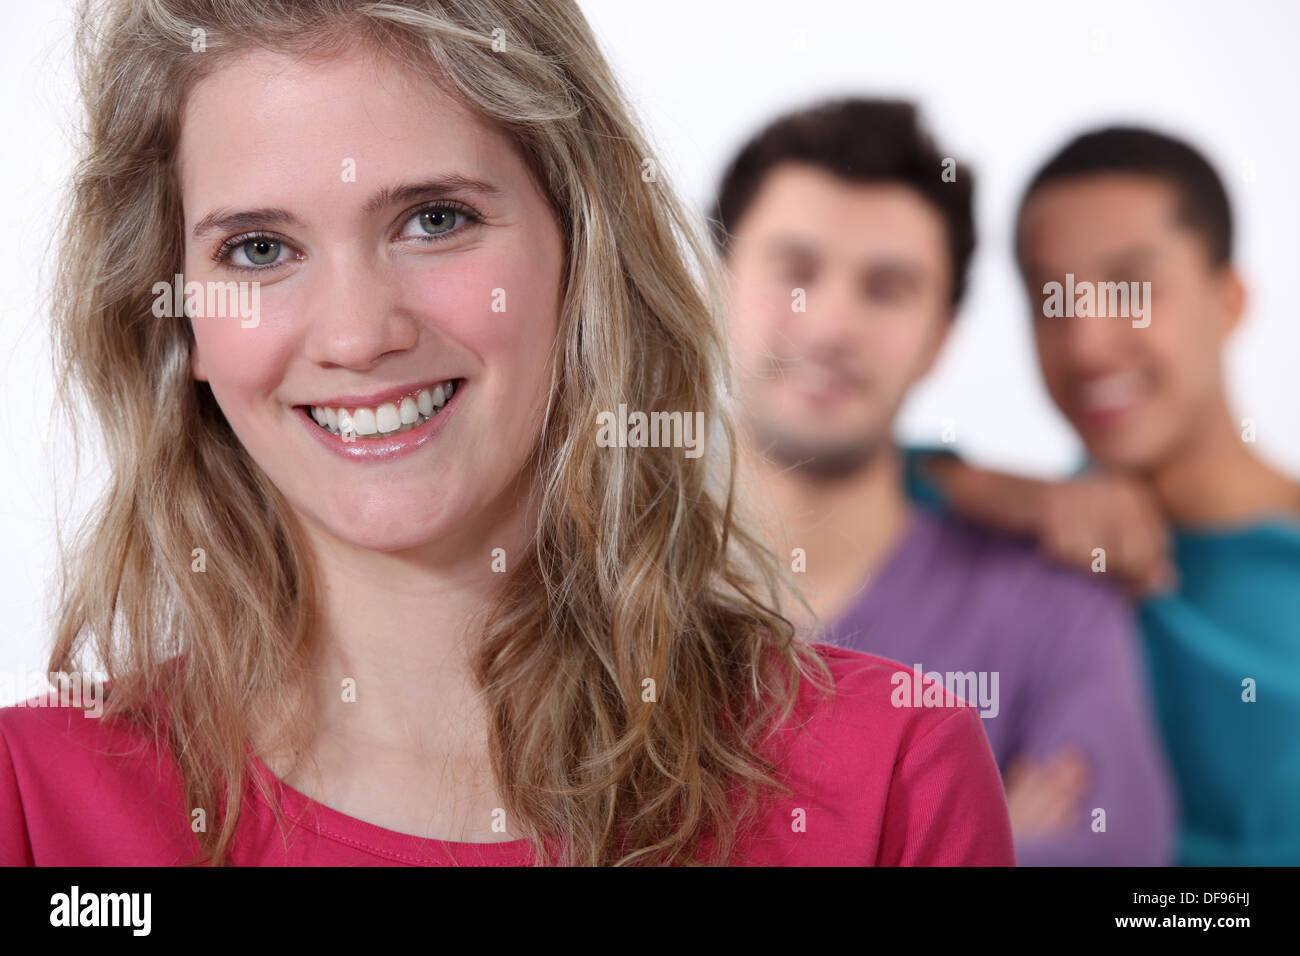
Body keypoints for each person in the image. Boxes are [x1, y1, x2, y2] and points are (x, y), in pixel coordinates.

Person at [0, 0, 1013, 866]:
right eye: (259, 248)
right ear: (176, 315)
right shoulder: (37, 804)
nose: (358, 334)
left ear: (584, 251)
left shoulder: (887, 774)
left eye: (434, 219)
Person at [711, 98, 1174, 865]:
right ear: (712, 286)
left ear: (941, 338)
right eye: (794, 272)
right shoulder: (590, 588)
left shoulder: (1056, 609)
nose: (831, 325)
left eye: (887, 288)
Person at [917, 126, 1300, 866]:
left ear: (1229, 298)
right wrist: (974, 481)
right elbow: (821, 484)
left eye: (1131, 288)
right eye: (1050, 297)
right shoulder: (1022, 541)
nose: (1086, 343)